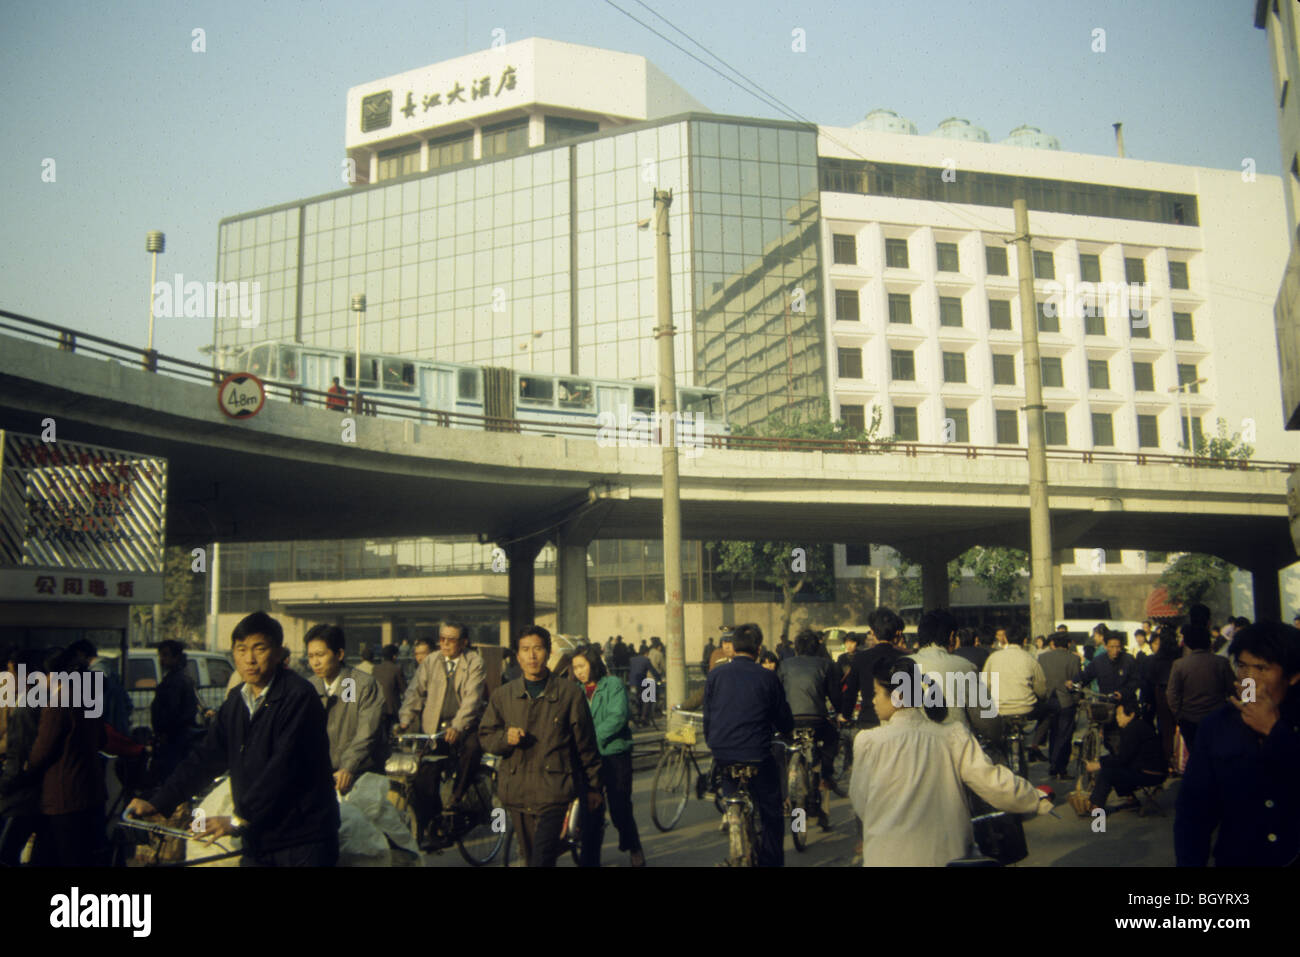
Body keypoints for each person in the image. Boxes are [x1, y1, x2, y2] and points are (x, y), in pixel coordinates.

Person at [128, 611, 340, 866]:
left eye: (259, 649)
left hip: (302, 838)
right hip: (259, 836)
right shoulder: (237, 701)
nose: (249, 659)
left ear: (279, 653)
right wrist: (159, 802)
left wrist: (239, 819)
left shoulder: (299, 697)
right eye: (241, 650)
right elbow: (205, 758)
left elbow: (283, 768)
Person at [850, 655, 1050, 866]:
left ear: (897, 696)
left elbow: (861, 800)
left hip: (885, 857)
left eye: (876, 694)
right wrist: (1035, 799)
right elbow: (991, 782)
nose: (872, 700)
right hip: (946, 857)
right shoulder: (952, 736)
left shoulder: (868, 742)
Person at [1175, 621, 1300, 866]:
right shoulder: (1216, 726)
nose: (1249, 679)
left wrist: (1274, 732)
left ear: (1293, 676)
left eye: (1262, 668)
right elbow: (1194, 812)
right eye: (1243, 666)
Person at [479, 625, 603, 867]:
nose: (531, 656)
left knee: (542, 859)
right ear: (517, 656)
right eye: (525, 650)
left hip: (555, 790)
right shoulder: (503, 695)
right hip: (517, 790)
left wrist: (594, 786)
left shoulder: (569, 694)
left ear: (548, 653)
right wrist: (506, 738)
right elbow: (486, 735)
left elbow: (585, 745)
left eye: (537, 649)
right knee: (530, 857)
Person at [703, 623, 793, 866]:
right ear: (759, 649)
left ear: (733, 647)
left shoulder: (715, 675)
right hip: (757, 754)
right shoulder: (768, 677)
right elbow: (782, 717)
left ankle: (733, 811)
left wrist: (714, 743)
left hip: (722, 752)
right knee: (771, 812)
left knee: (732, 793)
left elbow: (708, 717)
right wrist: (787, 733)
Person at [398, 621, 487, 830]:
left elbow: (472, 699)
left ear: (463, 642)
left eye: (451, 639)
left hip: (465, 726)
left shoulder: (474, 662)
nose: (444, 644)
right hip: (435, 729)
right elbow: (414, 692)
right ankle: (432, 823)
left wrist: (457, 726)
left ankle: (457, 796)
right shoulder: (431, 661)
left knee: (472, 750)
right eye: (441, 639)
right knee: (423, 776)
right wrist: (405, 719)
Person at [26, 648, 108, 867]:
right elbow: (101, 739)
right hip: (91, 790)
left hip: (64, 793)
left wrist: (27, 766)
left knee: (57, 856)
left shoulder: (58, 701)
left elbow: (43, 750)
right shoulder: (90, 698)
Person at [571, 646, 645, 867]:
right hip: (588, 758)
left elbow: (618, 716)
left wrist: (591, 738)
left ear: (593, 664)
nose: (579, 672)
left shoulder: (612, 685)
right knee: (590, 811)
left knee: (620, 807)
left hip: (614, 754)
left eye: (582, 666)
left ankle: (634, 846)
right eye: (575, 668)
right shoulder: (575, 690)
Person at [305, 624, 386, 793]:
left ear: (339, 654)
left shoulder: (356, 684)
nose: (315, 662)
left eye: (320, 655)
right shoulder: (310, 686)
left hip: (359, 774)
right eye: (311, 656)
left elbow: (366, 732)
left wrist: (349, 765)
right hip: (320, 774)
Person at [778, 629, 841, 829]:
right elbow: (835, 697)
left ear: (796, 648)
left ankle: (785, 797)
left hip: (789, 721)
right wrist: (840, 713)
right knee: (832, 738)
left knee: (781, 750)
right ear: (817, 647)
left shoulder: (784, 665)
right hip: (816, 720)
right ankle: (825, 776)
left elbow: (777, 694)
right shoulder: (826, 665)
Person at [0, 649, 52, 865]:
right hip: (37, 789)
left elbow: (21, 749)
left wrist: (6, 784)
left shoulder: (27, 705)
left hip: (22, 791)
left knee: (6, 853)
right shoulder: (42, 698)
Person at [1083, 693, 1165, 814]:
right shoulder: (1137, 726)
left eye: (1120, 714)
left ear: (1131, 714)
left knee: (1108, 772)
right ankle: (1131, 800)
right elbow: (1125, 756)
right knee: (1115, 767)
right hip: (1150, 770)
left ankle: (1095, 806)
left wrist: (1099, 764)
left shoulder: (1134, 729)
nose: (1117, 718)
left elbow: (1122, 758)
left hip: (1150, 773)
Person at [1167, 623, 1235, 755]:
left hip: (1189, 719)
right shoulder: (1221, 662)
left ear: (1188, 643)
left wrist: (1179, 715)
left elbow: (1171, 694)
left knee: (1197, 755)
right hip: (1218, 718)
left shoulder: (1179, 665)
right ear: (1208, 641)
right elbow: (1234, 689)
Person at [978, 625, 1048, 748]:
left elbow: (984, 686)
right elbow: (1041, 690)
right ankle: (1035, 745)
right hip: (1026, 709)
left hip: (999, 709)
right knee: (1049, 712)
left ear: (1005, 638)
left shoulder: (994, 658)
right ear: (1025, 640)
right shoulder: (1030, 659)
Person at [906, 610, 978, 728]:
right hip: (955, 743)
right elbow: (985, 720)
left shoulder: (902, 666)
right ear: (951, 636)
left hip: (913, 744)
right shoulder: (965, 666)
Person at [841, 607, 908, 731]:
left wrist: (845, 715)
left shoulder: (861, 658)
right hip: (899, 723)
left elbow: (850, 693)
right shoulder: (905, 658)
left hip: (869, 721)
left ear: (872, 632)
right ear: (896, 632)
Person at [151, 640, 201, 782]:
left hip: (175, 739)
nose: (162, 660)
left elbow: (173, 711)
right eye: (160, 655)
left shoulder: (177, 681)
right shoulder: (174, 679)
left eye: (166, 655)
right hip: (174, 738)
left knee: (172, 778)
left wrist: (165, 731)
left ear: (176, 657)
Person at [1035, 634, 1081, 779]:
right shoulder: (1074, 659)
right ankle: (1061, 768)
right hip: (1066, 701)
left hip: (1048, 700)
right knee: (1065, 735)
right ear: (1068, 644)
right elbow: (1077, 682)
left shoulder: (1042, 658)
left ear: (1053, 643)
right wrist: (1076, 700)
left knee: (1053, 734)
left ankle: (1052, 766)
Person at [68, 638, 132, 735]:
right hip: (117, 730)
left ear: (81, 654)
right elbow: (128, 704)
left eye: (75, 656)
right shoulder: (112, 673)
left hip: (106, 732)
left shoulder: (96, 674)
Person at [371, 643, 407, 723]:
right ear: (394, 656)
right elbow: (405, 690)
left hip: (377, 709)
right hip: (392, 709)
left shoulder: (375, 669)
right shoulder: (397, 669)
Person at [627, 647, 661, 726]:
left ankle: (636, 716)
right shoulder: (646, 660)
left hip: (632, 683)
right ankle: (644, 717)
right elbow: (653, 671)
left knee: (635, 699)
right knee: (647, 698)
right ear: (646, 653)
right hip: (641, 683)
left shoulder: (632, 659)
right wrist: (659, 679)